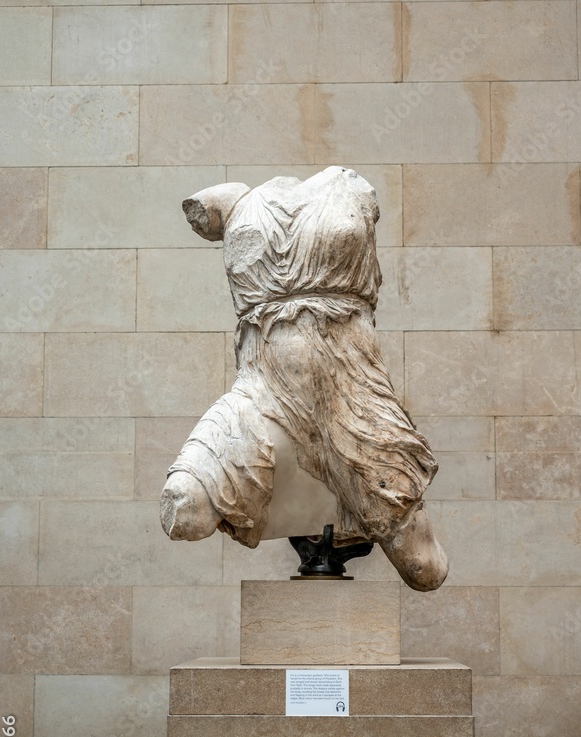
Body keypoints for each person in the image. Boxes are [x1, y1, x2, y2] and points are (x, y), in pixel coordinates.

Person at [160, 167, 448, 592]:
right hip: (260, 390)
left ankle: (349, 520)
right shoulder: (233, 201)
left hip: (351, 390)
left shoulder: (350, 187)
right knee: (184, 510)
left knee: (424, 570)